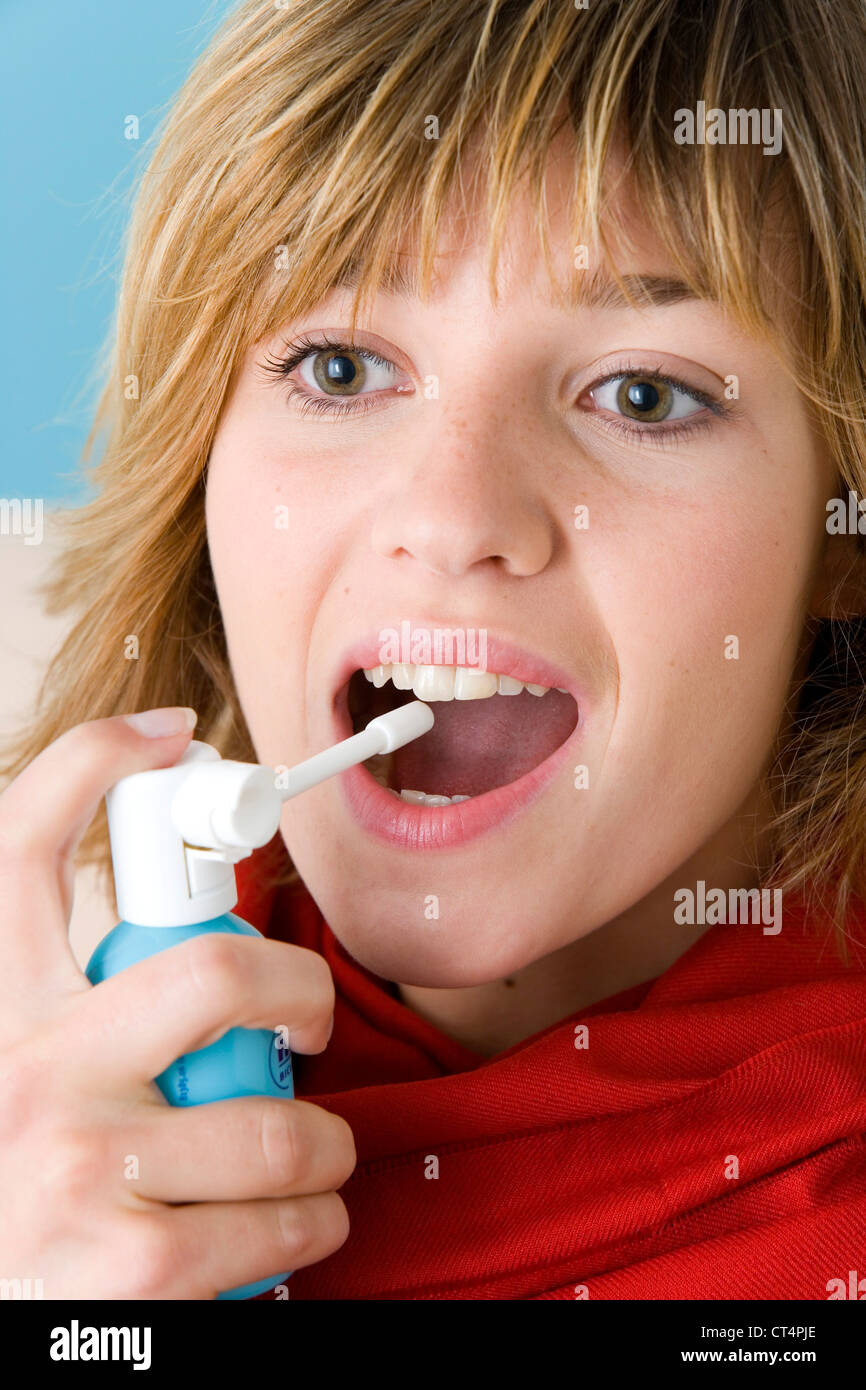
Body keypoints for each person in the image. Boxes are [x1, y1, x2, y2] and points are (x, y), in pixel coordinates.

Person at [2, 0, 866, 1299]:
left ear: (839, 525)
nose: (450, 517)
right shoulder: (59, 1072)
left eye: (642, 394)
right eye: (342, 367)